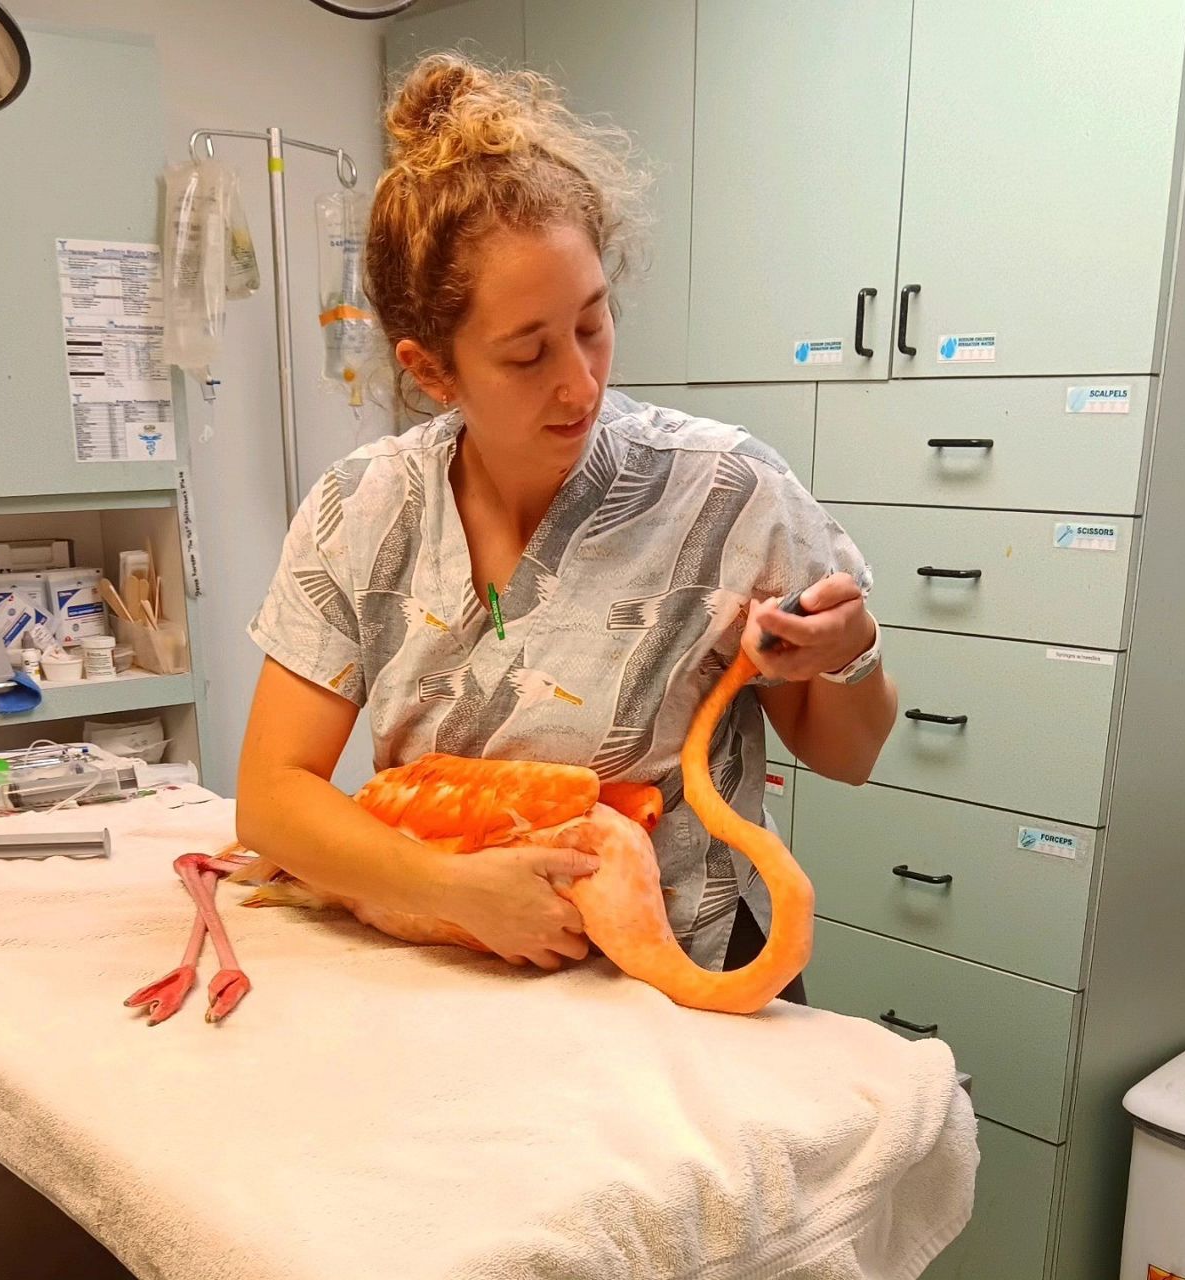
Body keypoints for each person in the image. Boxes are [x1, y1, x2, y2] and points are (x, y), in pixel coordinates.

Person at [236, 53, 897, 1002]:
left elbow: (853, 754)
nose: (581, 383)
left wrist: (849, 652)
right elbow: (273, 796)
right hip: (451, 972)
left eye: (592, 325)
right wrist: (457, 892)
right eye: (527, 352)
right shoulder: (364, 508)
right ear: (432, 371)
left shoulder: (725, 490)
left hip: (686, 992)